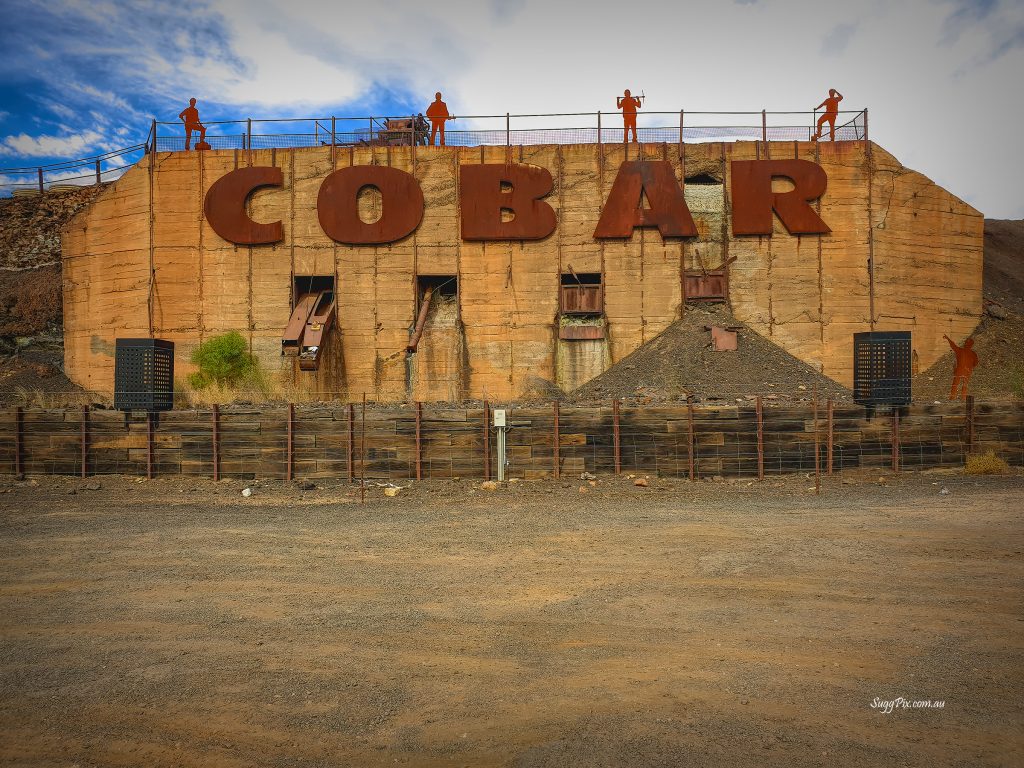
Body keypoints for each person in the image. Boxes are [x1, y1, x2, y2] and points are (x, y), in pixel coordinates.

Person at [943, 334, 979, 400]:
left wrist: (948, 339)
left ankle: (952, 398)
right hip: (967, 371)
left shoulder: (960, 351)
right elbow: (976, 363)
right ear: (971, 345)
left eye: (966, 343)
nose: (965, 344)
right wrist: (970, 367)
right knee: (965, 385)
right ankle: (963, 398)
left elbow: (953, 346)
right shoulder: (973, 354)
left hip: (959, 371)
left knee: (955, 384)